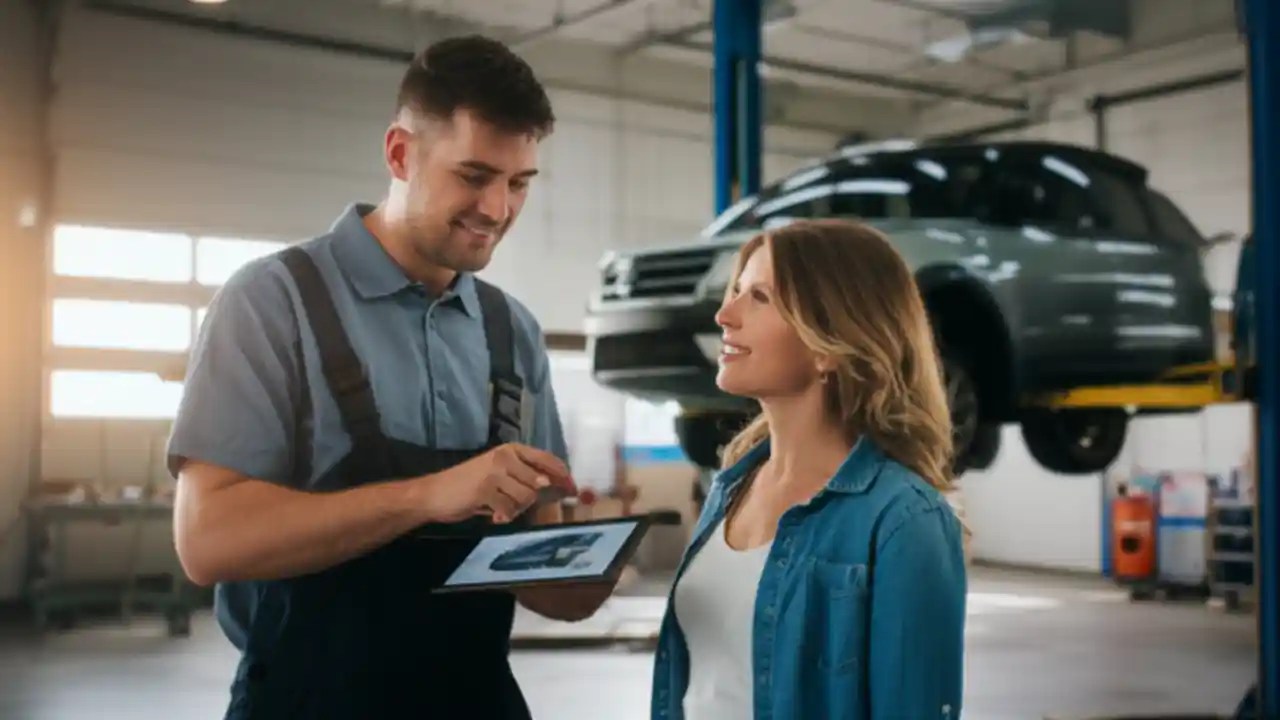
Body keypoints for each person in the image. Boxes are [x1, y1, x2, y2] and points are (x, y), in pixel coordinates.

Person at [168, 35, 615, 720]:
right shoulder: (273, 302)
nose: (497, 209)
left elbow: (534, 554)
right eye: (473, 176)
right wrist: (428, 496)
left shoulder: (513, 331)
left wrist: (582, 571)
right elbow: (206, 541)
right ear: (401, 153)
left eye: (518, 182)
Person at [650, 219, 968, 720]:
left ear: (828, 343)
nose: (724, 314)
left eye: (759, 298)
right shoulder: (730, 488)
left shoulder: (905, 520)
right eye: (735, 291)